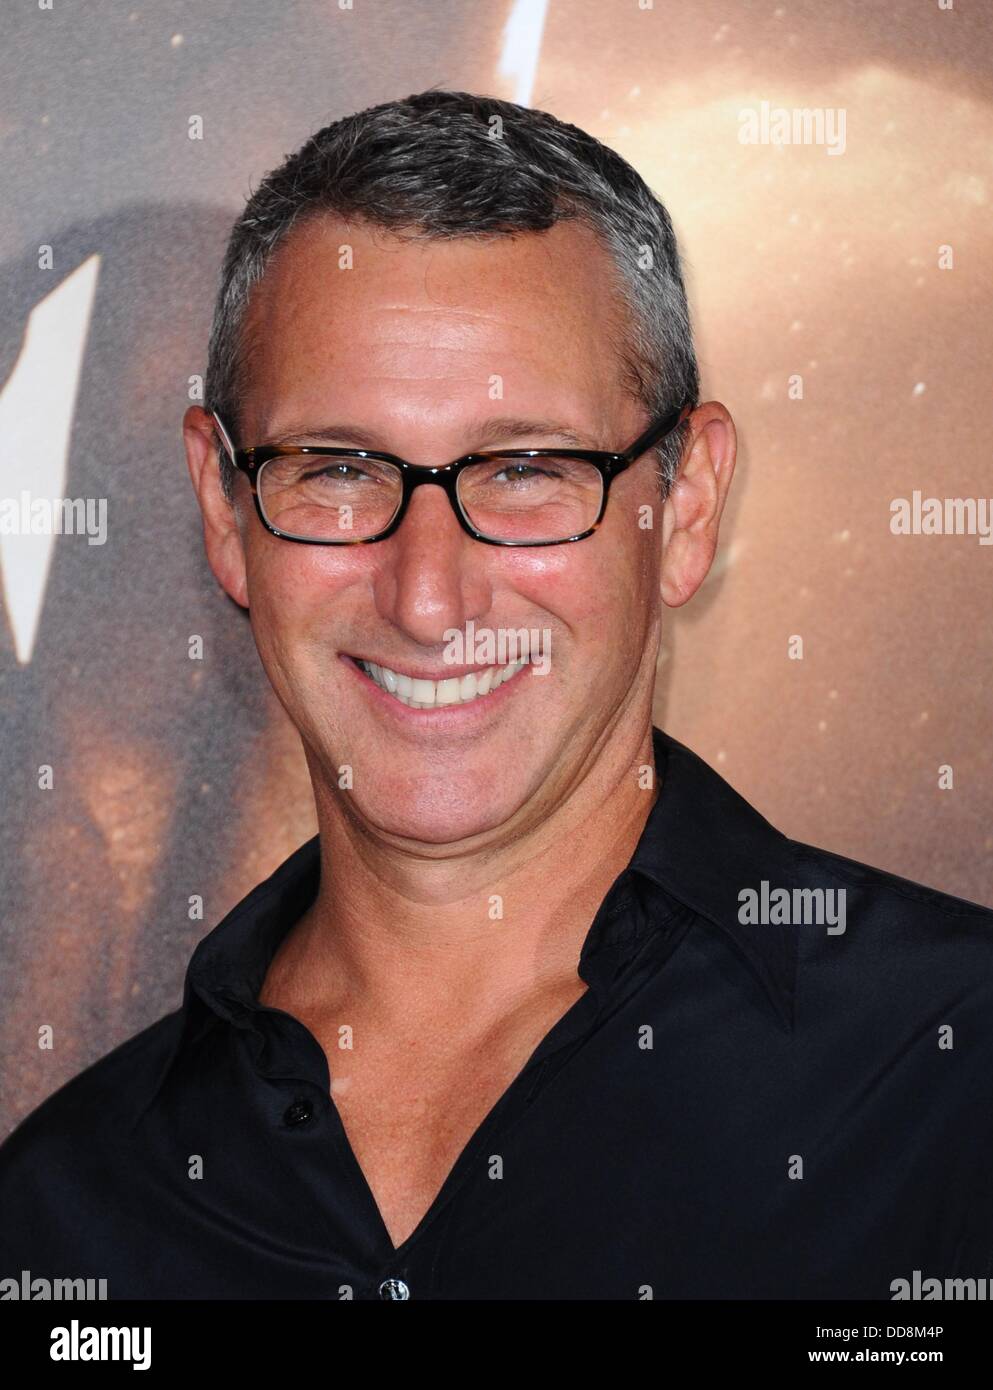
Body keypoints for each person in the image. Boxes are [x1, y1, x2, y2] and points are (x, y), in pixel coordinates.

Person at [2, 89, 991, 1303]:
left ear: (683, 507)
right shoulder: (61, 1220)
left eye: (526, 469)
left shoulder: (954, 1079)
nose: (427, 595)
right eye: (341, 470)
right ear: (223, 510)